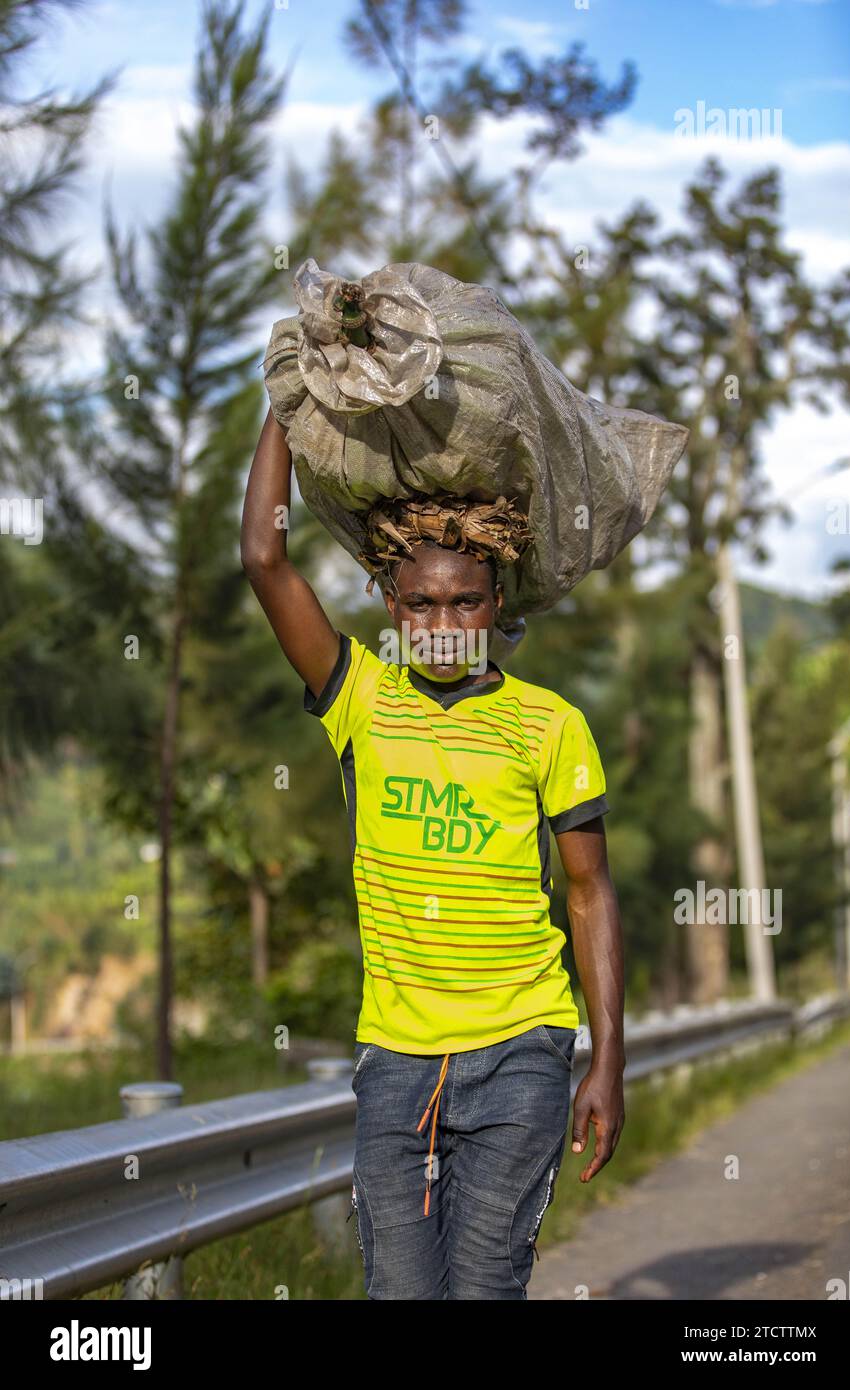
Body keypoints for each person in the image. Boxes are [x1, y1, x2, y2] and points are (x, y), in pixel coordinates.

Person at [241, 406, 626, 1300]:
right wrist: (286, 403)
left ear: (499, 603)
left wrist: (606, 1057)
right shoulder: (359, 700)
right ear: (389, 604)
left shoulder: (550, 726)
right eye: (421, 602)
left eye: (466, 601)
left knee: (484, 1289)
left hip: (522, 1052)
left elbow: (590, 893)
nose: (443, 622)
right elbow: (265, 559)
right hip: (396, 1062)